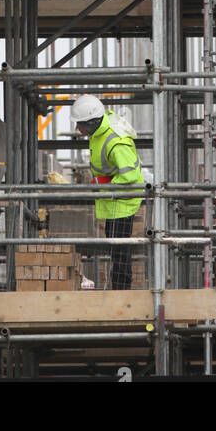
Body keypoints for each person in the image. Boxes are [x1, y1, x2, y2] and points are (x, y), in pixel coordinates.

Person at [71, 94, 144, 290]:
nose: (78, 128)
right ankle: (118, 292)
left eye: (81, 124)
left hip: (122, 202)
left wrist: (107, 185)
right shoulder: (100, 130)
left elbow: (129, 176)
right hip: (114, 199)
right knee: (116, 249)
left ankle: (121, 295)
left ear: (93, 122)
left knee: (120, 252)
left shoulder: (116, 141)